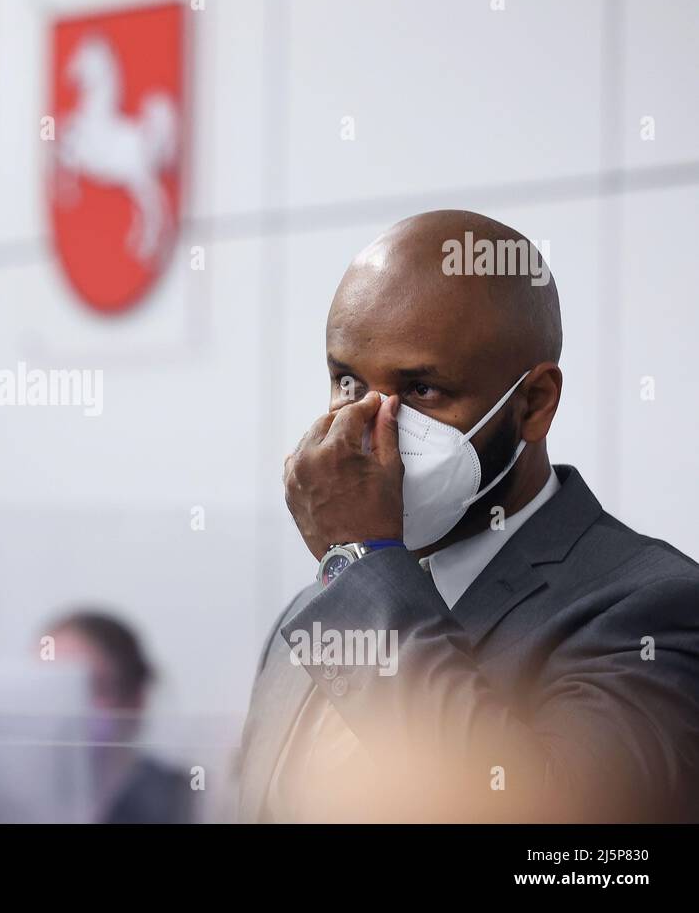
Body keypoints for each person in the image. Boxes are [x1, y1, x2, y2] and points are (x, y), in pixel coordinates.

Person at [238, 210, 699, 823]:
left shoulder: (651, 610)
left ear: (534, 403)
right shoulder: (310, 613)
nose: (368, 427)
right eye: (347, 382)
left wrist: (363, 559)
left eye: (423, 390)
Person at [47, 612, 193, 823]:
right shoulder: (9, 795)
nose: (62, 707)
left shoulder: (181, 799)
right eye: (46, 689)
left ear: (136, 700)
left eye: (93, 688)